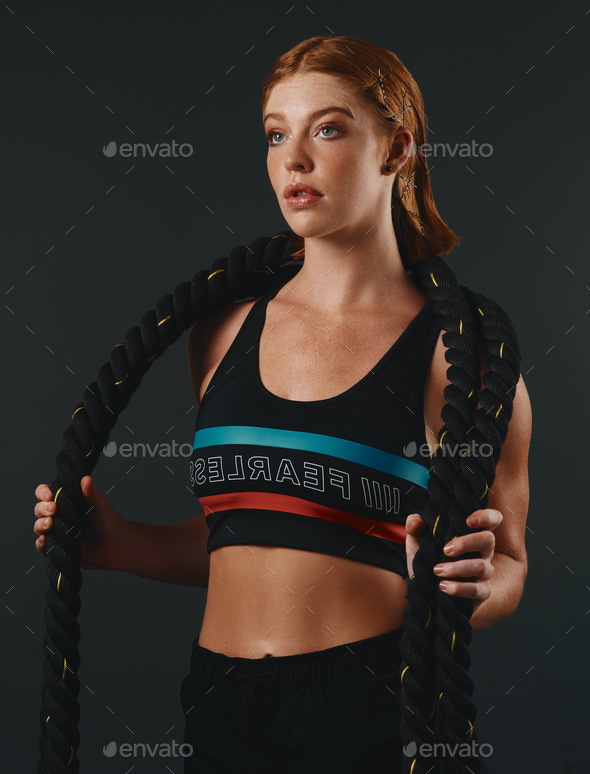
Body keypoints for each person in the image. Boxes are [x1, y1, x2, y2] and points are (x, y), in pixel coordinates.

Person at [33, 35, 531, 774]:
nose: (293, 159)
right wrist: (126, 545)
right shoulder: (225, 332)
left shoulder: (457, 359)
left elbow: (511, 563)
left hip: (371, 708)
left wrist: (477, 587)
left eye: (327, 128)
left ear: (396, 149)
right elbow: (255, 534)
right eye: (276, 134)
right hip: (218, 700)